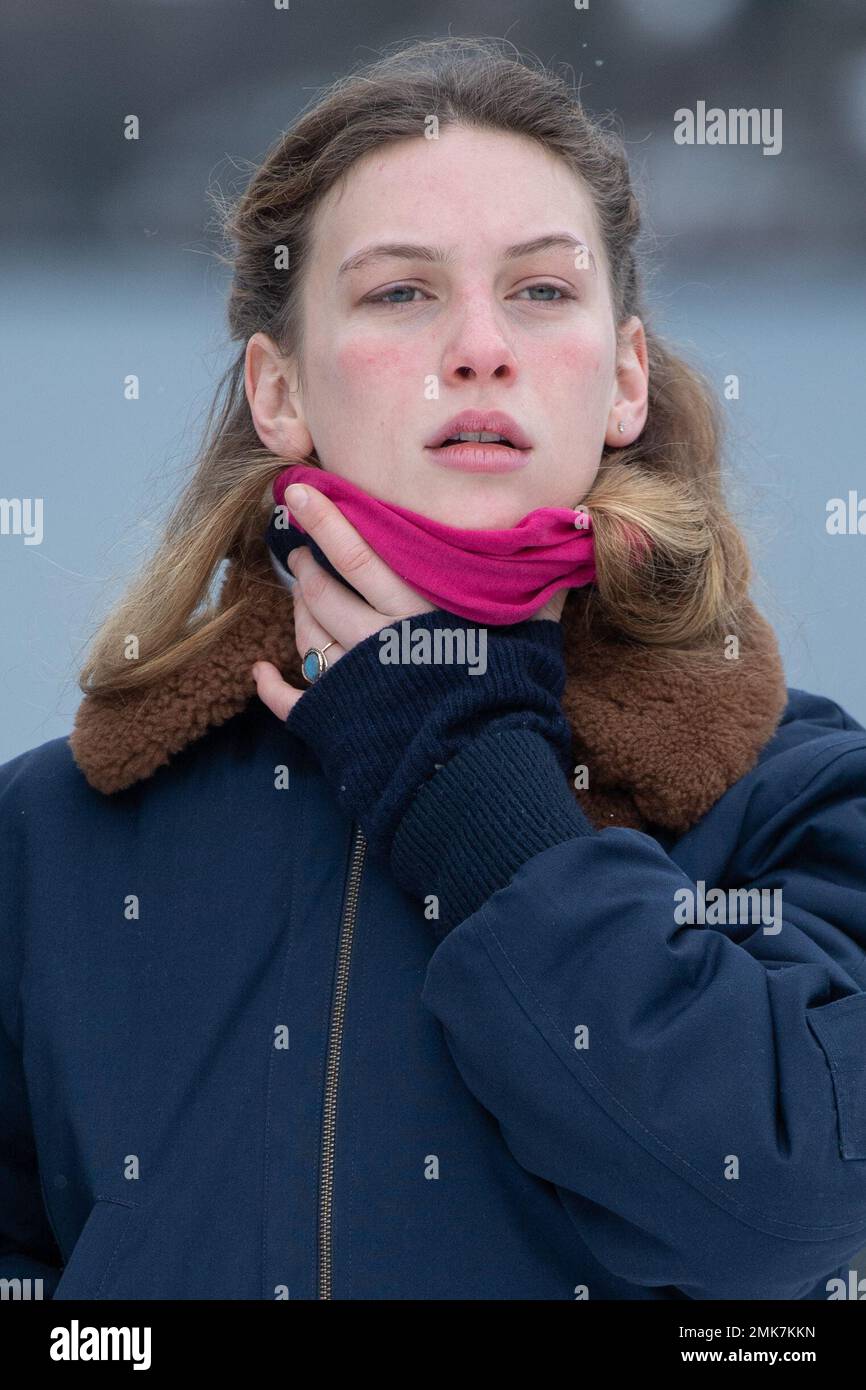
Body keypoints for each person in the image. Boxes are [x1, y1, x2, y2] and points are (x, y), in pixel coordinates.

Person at [2, 36, 866, 1303]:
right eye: (400, 293)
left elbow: (777, 1213)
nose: (477, 347)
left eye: (539, 291)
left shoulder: (794, 799)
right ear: (278, 389)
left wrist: (463, 766)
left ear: (623, 378)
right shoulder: (57, 834)